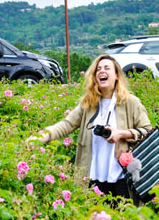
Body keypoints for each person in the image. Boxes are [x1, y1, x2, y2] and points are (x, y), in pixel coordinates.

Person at [31, 54, 152, 201]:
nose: (102, 71)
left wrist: (121, 134)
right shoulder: (88, 104)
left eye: (107, 68)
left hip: (122, 177)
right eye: (98, 69)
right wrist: (41, 137)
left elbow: (147, 130)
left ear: (116, 76)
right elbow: (66, 125)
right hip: (93, 178)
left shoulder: (130, 102)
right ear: (94, 77)